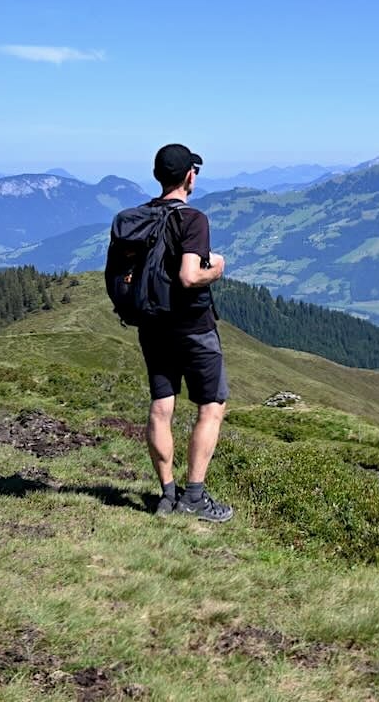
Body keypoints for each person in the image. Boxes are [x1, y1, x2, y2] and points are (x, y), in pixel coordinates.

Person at [138, 144, 233, 522]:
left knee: (162, 406)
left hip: (152, 326)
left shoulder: (140, 217)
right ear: (189, 176)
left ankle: (166, 494)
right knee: (211, 406)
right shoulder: (192, 219)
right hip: (193, 328)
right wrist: (218, 268)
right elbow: (189, 275)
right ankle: (193, 496)